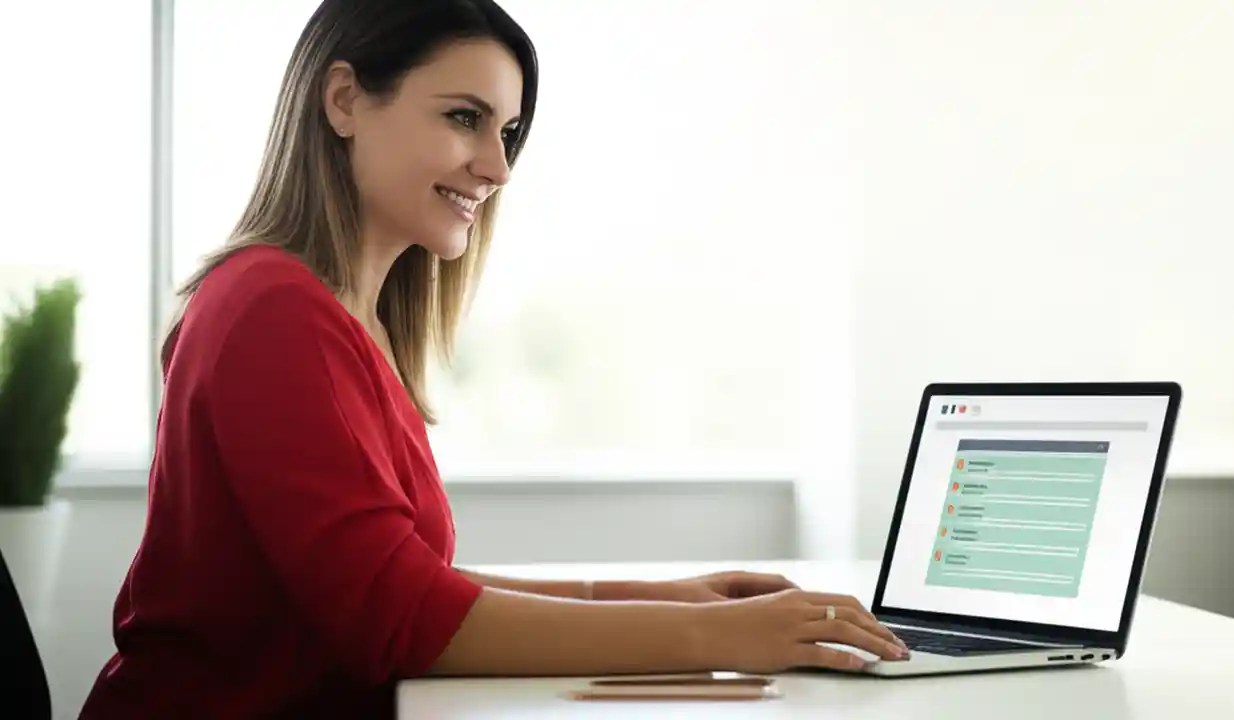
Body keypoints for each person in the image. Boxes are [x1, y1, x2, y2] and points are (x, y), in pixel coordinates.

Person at [80, 0, 906, 717]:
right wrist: (721, 637)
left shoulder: (343, 319)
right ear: (344, 100)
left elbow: (404, 581)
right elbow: (401, 618)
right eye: (463, 118)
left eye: (507, 132)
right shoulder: (271, 308)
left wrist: (674, 598)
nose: (498, 167)